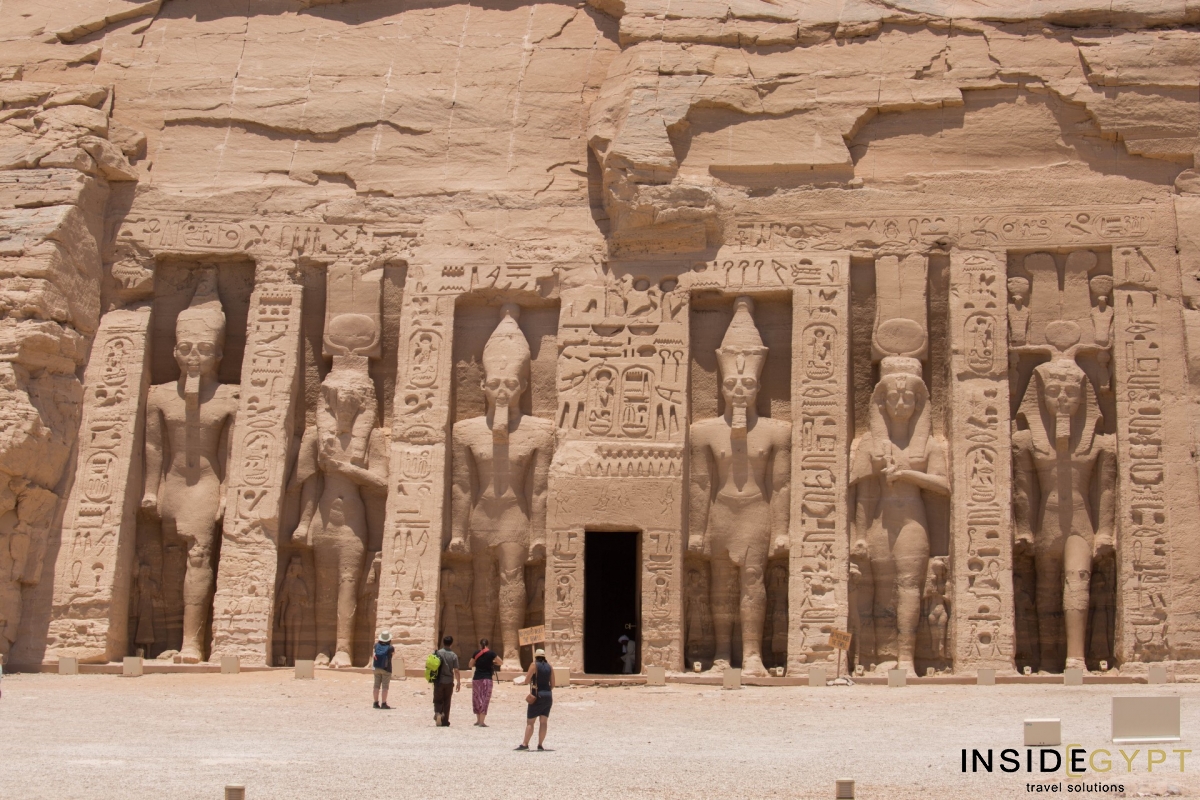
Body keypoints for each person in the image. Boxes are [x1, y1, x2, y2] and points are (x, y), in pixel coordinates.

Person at [516, 648, 554, 751]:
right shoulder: (550, 666)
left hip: (537, 696)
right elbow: (553, 684)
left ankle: (525, 744)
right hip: (548, 695)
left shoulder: (534, 665)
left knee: (530, 722)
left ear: (536, 656)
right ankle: (540, 745)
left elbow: (526, 680)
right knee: (543, 722)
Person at [469, 638, 502, 727]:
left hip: (476, 678)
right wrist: (492, 662)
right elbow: (500, 662)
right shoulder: (491, 653)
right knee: (484, 699)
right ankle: (482, 722)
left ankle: (478, 720)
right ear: (488, 644)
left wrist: (478, 663)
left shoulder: (476, 653)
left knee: (477, 698)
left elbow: (470, 664)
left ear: (480, 645)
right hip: (487, 679)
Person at [433, 635, 461, 727]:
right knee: (447, 701)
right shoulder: (453, 655)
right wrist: (458, 682)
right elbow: (456, 670)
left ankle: (438, 713)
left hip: (439, 680)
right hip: (449, 681)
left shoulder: (438, 653)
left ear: (443, 643)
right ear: (451, 644)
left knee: (437, 699)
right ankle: (445, 721)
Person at [372, 630, 395, 710]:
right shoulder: (390, 647)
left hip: (376, 667)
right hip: (386, 669)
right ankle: (383, 703)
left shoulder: (376, 645)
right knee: (385, 687)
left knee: (376, 686)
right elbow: (393, 655)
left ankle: (375, 703)